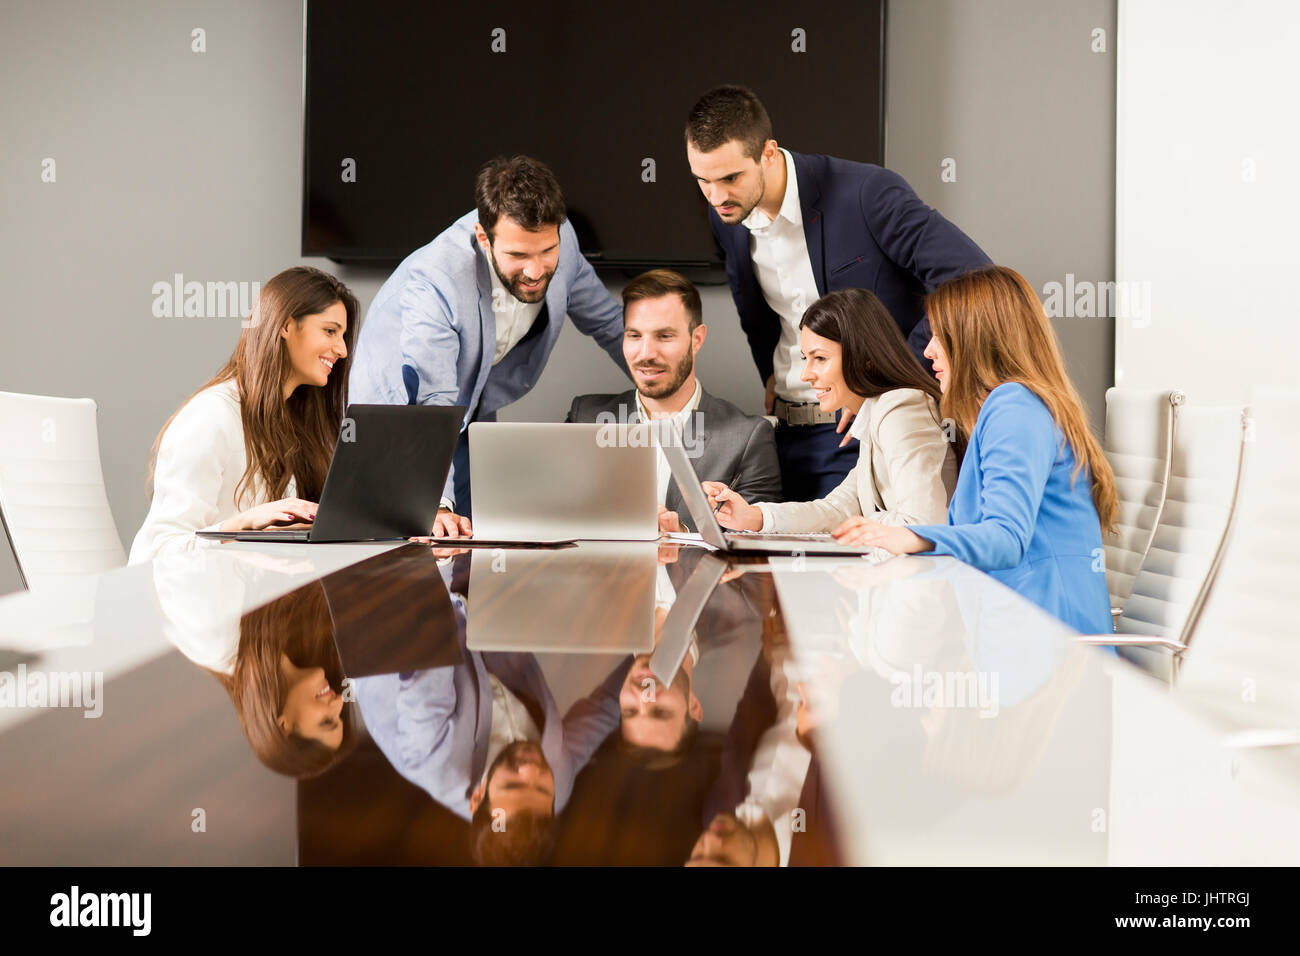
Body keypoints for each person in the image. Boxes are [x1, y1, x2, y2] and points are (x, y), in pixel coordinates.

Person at [684, 84, 990, 501]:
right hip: (783, 435)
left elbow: (971, 275)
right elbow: (751, 306)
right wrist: (769, 372)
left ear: (768, 153)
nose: (717, 196)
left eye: (731, 178)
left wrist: (885, 373)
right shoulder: (727, 214)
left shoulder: (866, 193)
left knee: (849, 562)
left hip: (862, 435)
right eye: (703, 181)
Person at [347, 155, 630, 535]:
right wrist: (437, 503)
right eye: (517, 255)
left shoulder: (564, 243)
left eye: (546, 251)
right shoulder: (439, 279)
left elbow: (611, 326)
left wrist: (673, 391)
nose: (535, 270)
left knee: (472, 544)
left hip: (471, 409)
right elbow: (435, 400)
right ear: (484, 238)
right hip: (401, 420)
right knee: (410, 547)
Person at [833, 266, 1118, 635]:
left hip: (1050, 654)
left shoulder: (1013, 406)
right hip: (1028, 641)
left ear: (974, 338)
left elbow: (1005, 538)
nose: (928, 350)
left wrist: (910, 537)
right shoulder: (1017, 407)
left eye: (938, 335)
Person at [129, 266, 358, 563]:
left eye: (343, 335)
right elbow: (156, 554)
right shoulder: (211, 417)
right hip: (204, 604)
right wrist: (236, 527)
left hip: (262, 599)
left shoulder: (294, 421)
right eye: (330, 331)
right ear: (286, 326)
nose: (341, 349)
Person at [704, 288, 956, 534]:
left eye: (820, 359)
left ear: (864, 357)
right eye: (805, 359)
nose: (805, 375)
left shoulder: (900, 408)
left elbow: (923, 522)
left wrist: (863, 522)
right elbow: (836, 508)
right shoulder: (875, 412)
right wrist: (753, 517)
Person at [565, 269, 781, 532]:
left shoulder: (748, 437)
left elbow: (754, 551)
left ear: (697, 339)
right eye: (634, 336)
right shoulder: (583, 418)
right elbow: (552, 515)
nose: (646, 353)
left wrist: (682, 540)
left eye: (664, 336)